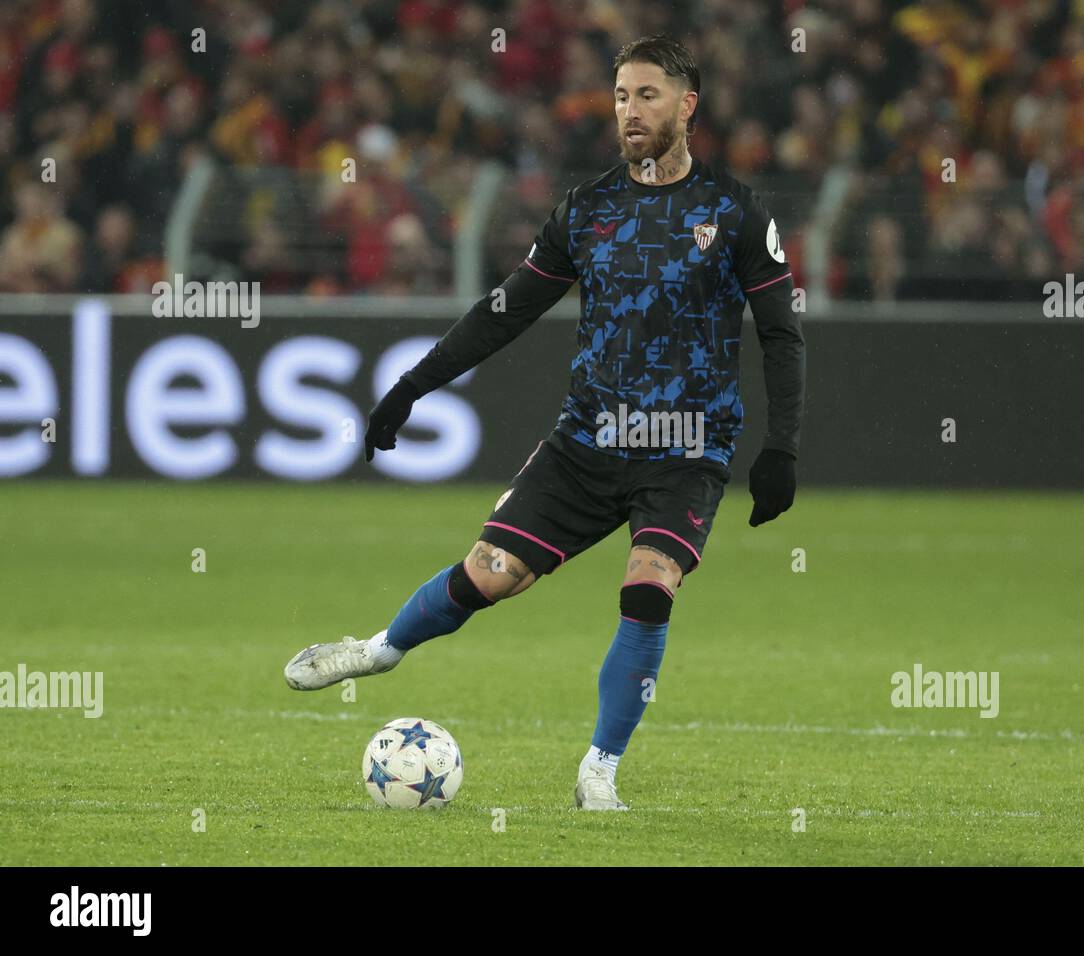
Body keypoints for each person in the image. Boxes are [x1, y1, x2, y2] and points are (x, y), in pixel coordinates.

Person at [284, 35, 805, 811]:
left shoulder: (732, 212)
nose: (630, 111)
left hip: (686, 449)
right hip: (588, 441)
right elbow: (506, 312)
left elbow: (779, 332)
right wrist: (411, 386)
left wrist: (781, 446)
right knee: (490, 576)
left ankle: (600, 769)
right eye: (622, 96)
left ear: (687, 105)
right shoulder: (588, 209)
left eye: (648, 95)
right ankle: (381, 650)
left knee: (650, 584)